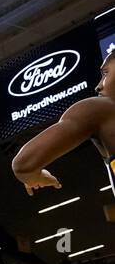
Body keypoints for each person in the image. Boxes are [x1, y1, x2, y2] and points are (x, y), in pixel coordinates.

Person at [11, 47, 115, 196]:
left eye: (106, 73)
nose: (98, 86)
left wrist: (34, 178)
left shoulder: (100, 108)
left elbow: (23, 165)